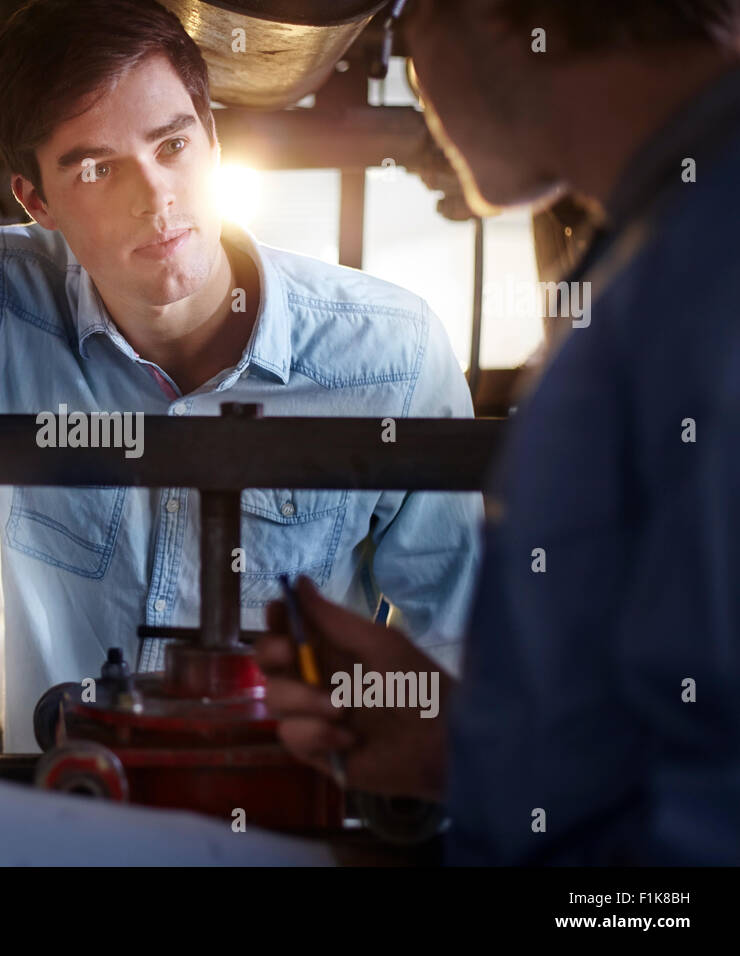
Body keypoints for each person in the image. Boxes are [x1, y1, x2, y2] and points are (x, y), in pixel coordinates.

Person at [0, 0, 481, 760]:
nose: (155, 198)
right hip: (69, 824)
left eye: (172, 145)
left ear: (213, 141)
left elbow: (457, 642)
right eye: (98, 168)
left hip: (296, 826)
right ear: (37, 202)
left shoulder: (393, 355)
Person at [257, 0, 740, 864]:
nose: (413, 77)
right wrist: (452, 743)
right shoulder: (665, 250)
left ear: (486, 14)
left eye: (402, 28)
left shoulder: (703, 274)